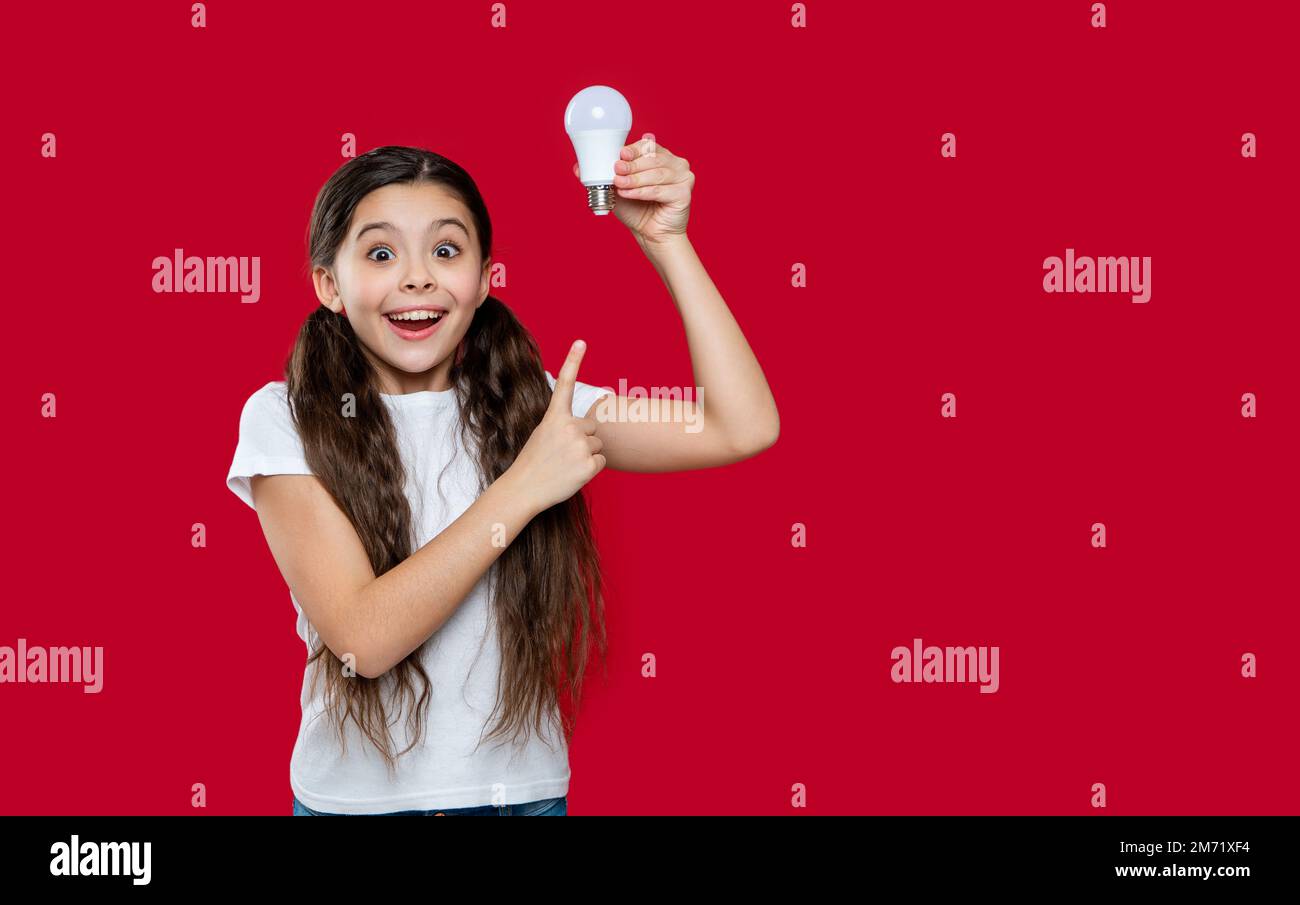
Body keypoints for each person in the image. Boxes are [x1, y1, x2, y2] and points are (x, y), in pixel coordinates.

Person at [225, 140, 779, 815]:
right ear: (328, 285)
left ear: (485, 279)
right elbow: (363, 640)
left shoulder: (534, 405)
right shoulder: (284, 417)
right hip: (353, 807)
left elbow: (741, 423)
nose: (418, 277)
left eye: (446, 250)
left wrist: (668, 243)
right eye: (379, 253)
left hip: (524, 798)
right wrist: (525, 484)